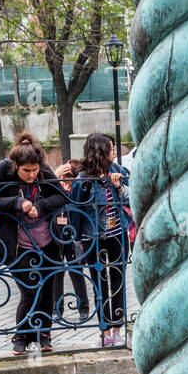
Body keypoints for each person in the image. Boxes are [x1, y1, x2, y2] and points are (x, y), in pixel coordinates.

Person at [0, 133, 69, 355]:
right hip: (18, 245)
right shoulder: (4, 169)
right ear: (16, 167)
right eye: (26, 171)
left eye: (35, 170)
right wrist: (17, 202)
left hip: (47, 243)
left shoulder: (43, 170)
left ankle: (44, 334)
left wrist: (41, 206)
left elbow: (62, 196)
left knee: (47, 289)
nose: (32, 175)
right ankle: (22, 335)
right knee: (30, 291)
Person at [68, 132, 129, 347]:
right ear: (101, 152)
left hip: (117, 236)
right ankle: (104, 332)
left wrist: (118, 186)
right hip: (93, 239)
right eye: (111, 149)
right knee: (100, 285)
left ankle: (117, 329)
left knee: (118, 282)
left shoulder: (119, 172)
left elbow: (131, 198)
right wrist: (75, 241)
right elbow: (75, 210)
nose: (115, 152)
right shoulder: (83, 179)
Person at [51, 158, 91, 322]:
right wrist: (56, 178)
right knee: (57, 272)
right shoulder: (56, 188)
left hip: (72, 234)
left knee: (76, 271)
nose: (63, 179)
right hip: (56, 234)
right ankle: (57, 308)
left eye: (66, 175)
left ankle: (83, 308)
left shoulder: (75, 190)